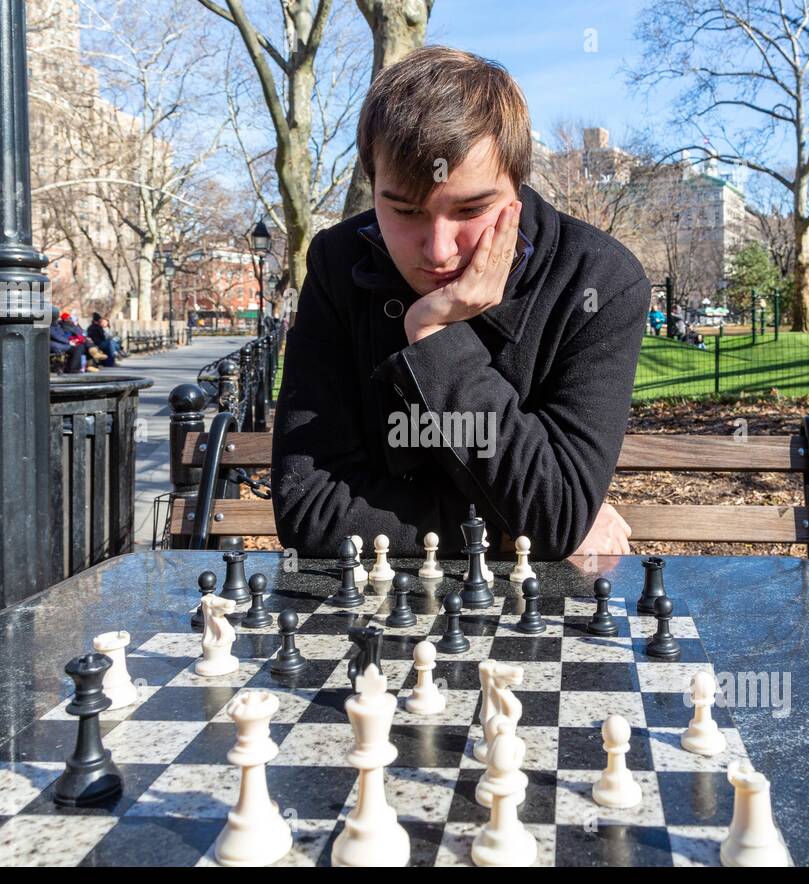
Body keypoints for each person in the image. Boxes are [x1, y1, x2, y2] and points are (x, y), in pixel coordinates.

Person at [270, 46, 648, 560]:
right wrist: (522, 530)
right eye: (404, 210)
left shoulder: (599, 281)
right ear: (372, 185)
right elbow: (310, 511)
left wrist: (436, 337)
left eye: (471, 209)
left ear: (517, 183)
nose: (438, 250)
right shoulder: (338, 264)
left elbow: (554, 513)